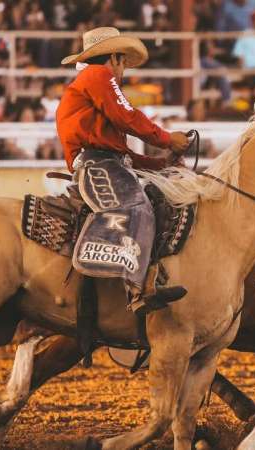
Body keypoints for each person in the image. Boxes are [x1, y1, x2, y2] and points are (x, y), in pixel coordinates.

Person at [56, 26, 190, 314]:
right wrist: (167, 139)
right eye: (124, 62)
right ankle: (137, 290)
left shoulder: (90, 82)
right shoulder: (98, 75)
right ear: (115, 57)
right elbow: (128, 117)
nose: (124, 69)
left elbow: (122, 151)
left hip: (102, 162)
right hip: (97, 164)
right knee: (138, 207)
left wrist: (160, 164)